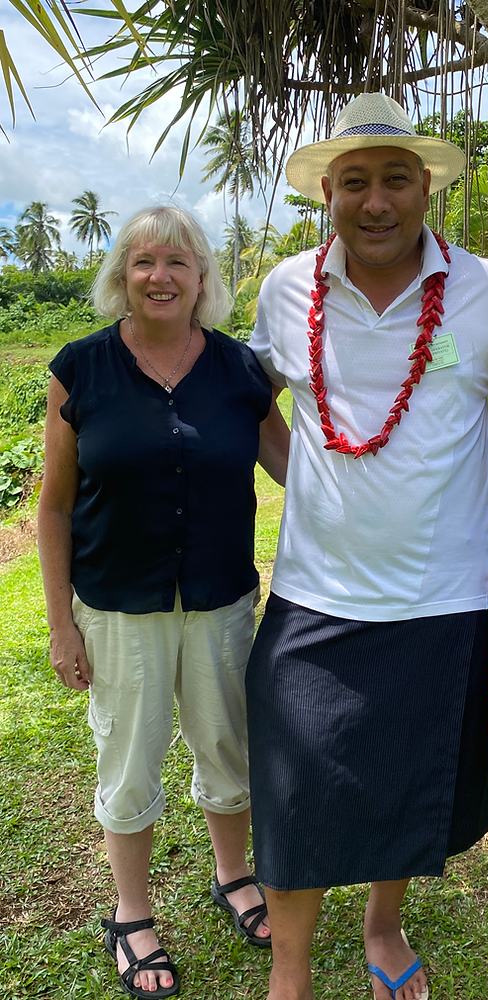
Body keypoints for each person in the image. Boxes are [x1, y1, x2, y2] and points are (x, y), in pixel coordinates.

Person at [244, 91, 488, 1000]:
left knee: (403, 777)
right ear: (328, 192)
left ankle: (383, 923)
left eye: (397, 179)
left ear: (427, 188)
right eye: (356, 182)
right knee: (294, 791)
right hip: (314, 592)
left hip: (446, 596)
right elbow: (252, 402)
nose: (376, 202)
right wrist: (312, 480)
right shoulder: (285, 289)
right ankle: (290, 976)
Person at [37, 206, 290, 999]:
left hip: (221, 603)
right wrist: (60, 626)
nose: (160, 276)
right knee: (129, 758)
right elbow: (54, 506)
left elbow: (300, 471)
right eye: (144, 261)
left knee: (228, 747)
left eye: (178, 262)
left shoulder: (240, 371)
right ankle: (132, 914)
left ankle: (233, 874)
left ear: (202, 277)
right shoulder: (80, 368)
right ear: (122, 273)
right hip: (118, 609)